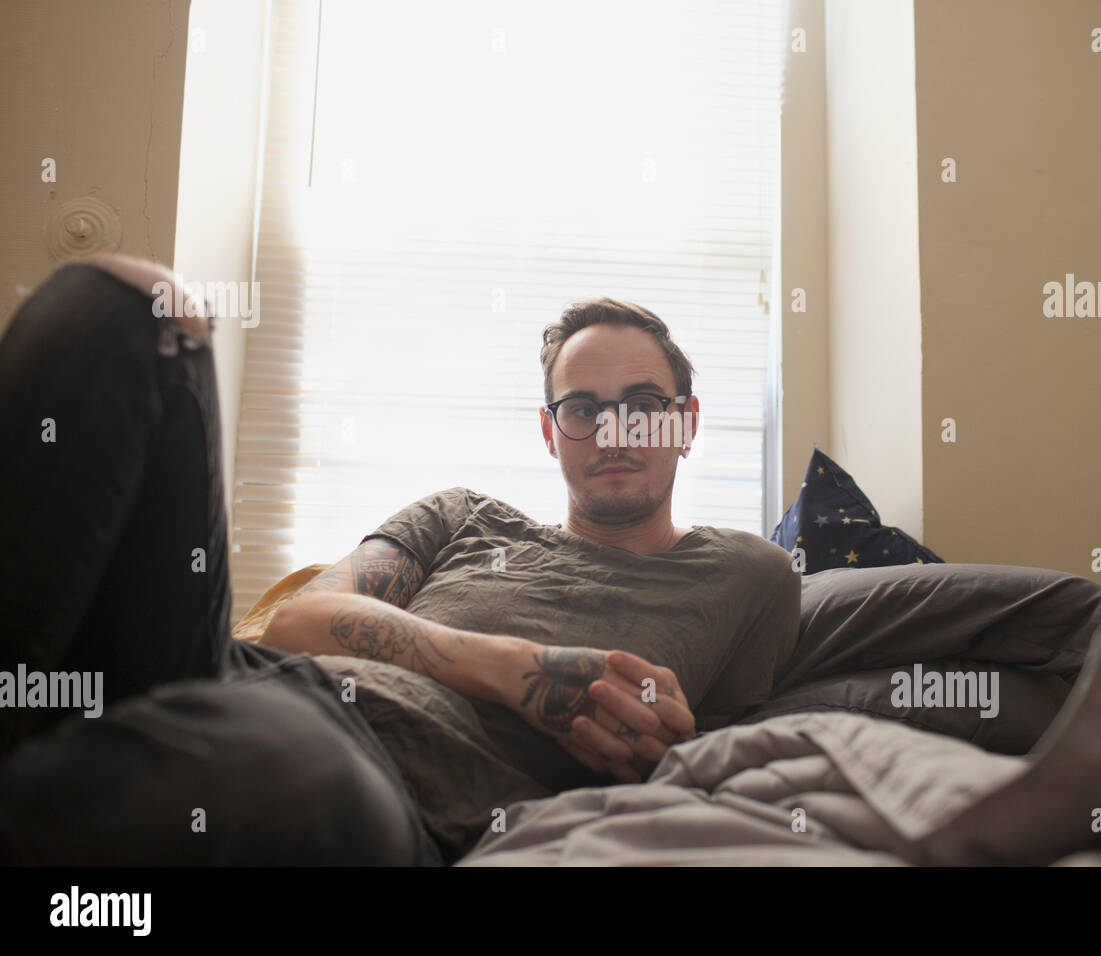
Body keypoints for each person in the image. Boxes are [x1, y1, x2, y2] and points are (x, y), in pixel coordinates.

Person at [0, 255, 801, 865]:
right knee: (132, 299)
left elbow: (722, 754)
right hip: (220, 672)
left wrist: (663, 748)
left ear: (686, 425)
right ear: (551, 432)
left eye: (644, 407)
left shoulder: (748, 576)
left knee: (279, 763)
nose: (616, 430)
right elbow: (297, 620)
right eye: (584, 410)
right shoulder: (459, 515)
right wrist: (521, 668)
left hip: (377, 777)